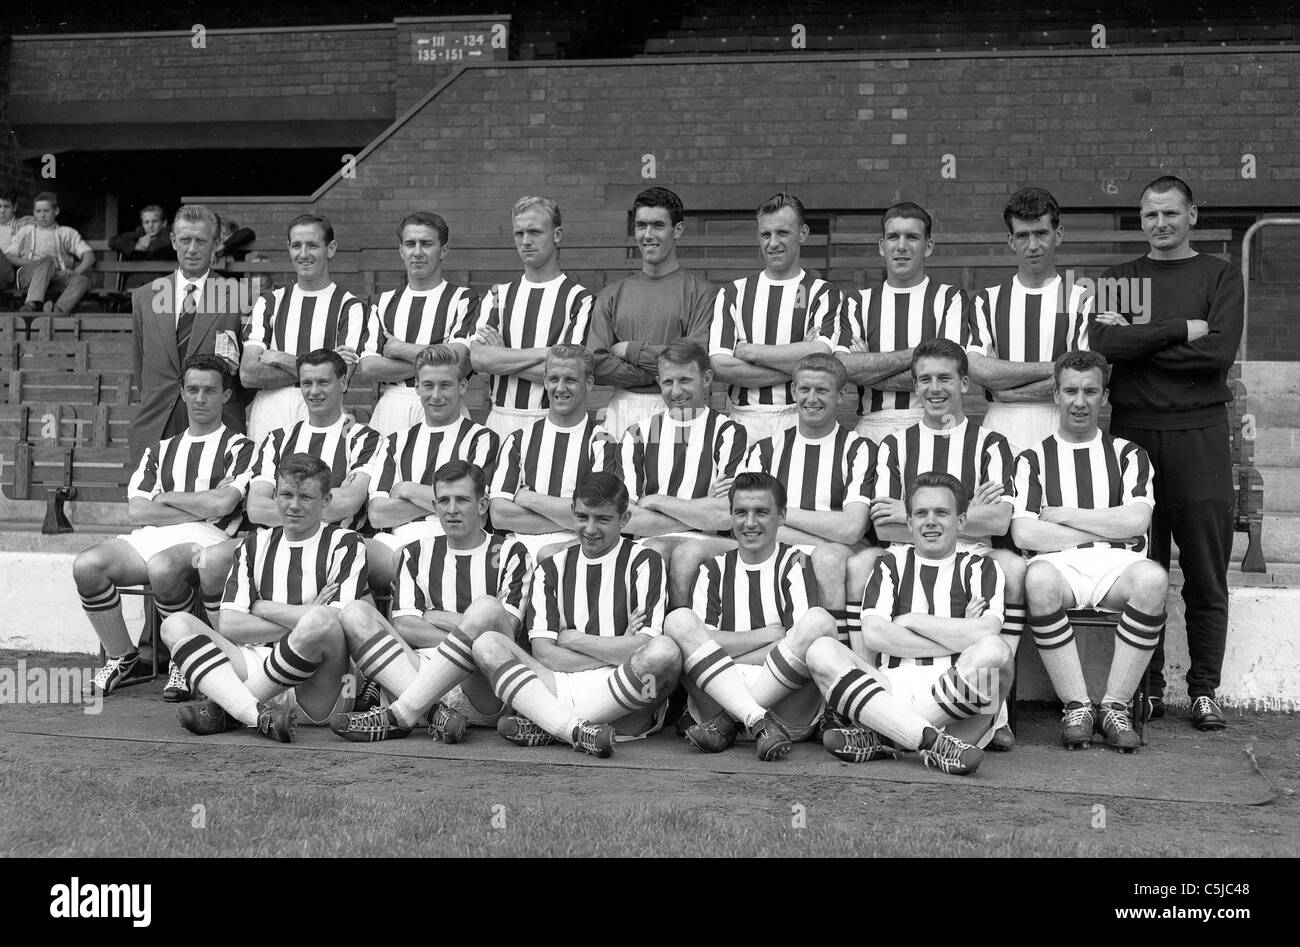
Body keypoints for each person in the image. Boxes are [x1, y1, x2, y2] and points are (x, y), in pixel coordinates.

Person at [1087, 175, 1241, 732]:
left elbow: (1217, 352)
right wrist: (1178, 329)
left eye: (1171, 213)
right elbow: (1104, 347)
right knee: (1141, 572)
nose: (1160, 223)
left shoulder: (1220, 275)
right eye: (1150, 215)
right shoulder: (1120, 279)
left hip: (1200, 436)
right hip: (1134, 438)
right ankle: (1142, 690)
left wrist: (1144, 344)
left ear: (1192, 215)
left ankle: (1203, 691)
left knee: (1205, 573)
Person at [862, 338, 1025, 750]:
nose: (935, 389)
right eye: (925, 380)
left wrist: (910, 513)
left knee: (1013, 569)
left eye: (945, 378)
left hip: (976, 556)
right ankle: (873, 694)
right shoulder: (895, 444)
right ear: (915, 387)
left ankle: (997, 710)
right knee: (864, 565)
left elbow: (1001, 519)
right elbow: (884, 527)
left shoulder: (991, 443)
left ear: (965, 383)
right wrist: (965, 516)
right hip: (909, 552)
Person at [803, 471, 1013, 775]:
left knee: (996, 651)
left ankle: (886, 736)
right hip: (892, 692)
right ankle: (930, 742)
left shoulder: (983, 567)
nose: (931, 521)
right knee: (820, 650)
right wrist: (957, 631)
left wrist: (910, 620)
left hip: (962, 703)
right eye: (921, 513)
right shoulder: (889, 564)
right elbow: (874, 635)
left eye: (942, 513)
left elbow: (985, 634)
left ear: (961, 521)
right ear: (910, 521)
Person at [1012, 351, 1169, 752]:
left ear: (1104, 396)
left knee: (1153, 579)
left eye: (1090, 391)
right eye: (1070, 391)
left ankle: (1114, 706)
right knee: (1039, 578)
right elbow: (1025, 531)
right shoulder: (1032, 458)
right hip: (1059, 566)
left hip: (1118, 567)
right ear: (1056, 394)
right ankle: (1077, 706)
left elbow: (1135, 523)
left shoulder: (1130, 454)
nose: (1079, 401)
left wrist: (1066, 516)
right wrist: (1098, 530)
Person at [77, 356, 256, 700]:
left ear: (226, 395)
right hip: (156, 535)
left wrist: (168, 497)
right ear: (182, 393)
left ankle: (183, 658)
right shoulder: (159, 450)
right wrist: (197, 507)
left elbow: (223, 506)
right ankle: (121, 654)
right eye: (193, 390)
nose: (201, 398)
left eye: (209, 390)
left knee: (163, 568)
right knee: (86, 566)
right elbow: (137, 509)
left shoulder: (241, 447)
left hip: (212, 538)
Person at [470, 472, 682, 758]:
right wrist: (618, 646)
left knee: (666, 652)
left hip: (625, 696)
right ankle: (574, 730)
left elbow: (643, 649)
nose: (590, 528)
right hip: (560, 686)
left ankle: (552, 727)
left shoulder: (645, 561)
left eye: (603, 519)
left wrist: (573, 639)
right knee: (486, 644)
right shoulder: (551, 568)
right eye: (583, 517)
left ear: (625, 519)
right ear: (572, 513)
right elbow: (546, 656)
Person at [159, 453, 368, 742]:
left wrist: (262, 607)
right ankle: (256, 715)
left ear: (327, 500)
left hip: (317, 688)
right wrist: (303, 613)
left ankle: (228, 710)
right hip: (255, 662)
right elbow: (230, 625)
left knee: (321, 621)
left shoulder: (346, 543)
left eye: (306, 497)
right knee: (176, 624)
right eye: (286, 494)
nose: (294, 505)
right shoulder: (254, 544)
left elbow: (335, 622)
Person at [329, 460, 533, 742]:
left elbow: (501, 631)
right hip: (419, 673)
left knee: (486, 609)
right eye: (444, 501)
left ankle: (401, 715)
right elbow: (405, 627)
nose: (452, 510)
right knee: (354, 613)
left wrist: (433, 616)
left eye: (462, 500)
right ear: (435, 505)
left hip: (480, 683)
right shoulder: (415, 552)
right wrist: (466, 628)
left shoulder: (512, 551)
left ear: (483, 504)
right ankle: (435, 714)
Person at [195, 349, 382, 627]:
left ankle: (274, 624)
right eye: (307, 383)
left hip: (340, 540)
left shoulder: (363, 438)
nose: (314, 391)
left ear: (343, 383)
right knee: (209, 561)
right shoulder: (278, 439)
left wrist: (285, 503)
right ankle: (227, 639)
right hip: (275, 539)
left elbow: (348, 504)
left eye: (323, 382)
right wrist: (321, 499)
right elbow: (257, 509)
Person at [664, 471, 837, 761]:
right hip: (719, 697)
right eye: (741, 512)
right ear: (730, 516)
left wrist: (722, 654)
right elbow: (700, 643)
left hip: (783, 709)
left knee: (819, 622)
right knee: (677, 621)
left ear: (781, 516)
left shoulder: (795, 563)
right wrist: (770, 635)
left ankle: (733, 721)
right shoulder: (713, 569)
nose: (750, 523)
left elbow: (802, 648)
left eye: (761, 512)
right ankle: (754, 718)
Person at [709, 192, 846, 444]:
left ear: (803, 233)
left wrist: (749, 351)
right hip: (743, 420)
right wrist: (801, 365)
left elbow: (821, 354)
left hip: (801, 418)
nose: (773, 243)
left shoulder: (822, 292)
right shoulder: (733, 293)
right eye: (766, 234)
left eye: (782, 233)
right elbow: (720, 366)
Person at [968, 187, 1093, 452]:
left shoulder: (1082, 298)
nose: (1033, 245)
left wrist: (1009, 390)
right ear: (1011, 240)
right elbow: (978, 368)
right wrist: (1058, 367)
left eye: (1041, 233)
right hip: (1002, 422)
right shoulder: (987, 300)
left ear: (1058, 235)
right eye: (1023, 235)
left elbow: (1083, 376)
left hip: (1061, 419)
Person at [618, 339, 747, 592]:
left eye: (685, 380)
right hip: (648, 543)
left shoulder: (729, 433)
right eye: (668, 382)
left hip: (709, 545)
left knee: (671, 552)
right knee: (654, 550)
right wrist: (700, 513)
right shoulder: (638, 434)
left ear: (707, 379)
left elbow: (726, 516)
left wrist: (654, 501)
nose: (676, 391)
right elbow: (626, 519)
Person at [365, 345, 498, 589]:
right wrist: (446, 502)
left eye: (445, 385)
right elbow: (377, 514)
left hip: (455, 545)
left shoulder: (482, 438)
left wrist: (406, 489)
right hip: (398, 547)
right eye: (428, 385)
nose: (436, 395)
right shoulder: (395, 442)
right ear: (416, 387)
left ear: (463, 387)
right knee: (354, 550)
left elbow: (476, 511)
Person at [589, 187, 717, 436]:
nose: (647, 234)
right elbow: (596, 363)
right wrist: (661, 374)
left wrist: (631, 351)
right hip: (623, 409)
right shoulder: (611, 294)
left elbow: (694, 359)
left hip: (682, 407)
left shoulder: (703, 293)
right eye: (641, 225)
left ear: (677, 229)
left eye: (658, 225)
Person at [840, 201, 971, 443]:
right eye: (893, 237)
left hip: (932, 422)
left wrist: (869, 365)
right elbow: (844, 369)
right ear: (882, 246)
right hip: (872, 427)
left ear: (928, 246)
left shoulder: (950, 298)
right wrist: (921, 353)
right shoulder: (857, 301)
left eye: (912, 237)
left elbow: (947, 371)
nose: (901, 246)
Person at [468, 196, 594, 441]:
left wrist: (503, 356)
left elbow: (568, 372)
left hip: (555, 420)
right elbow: (480, 359)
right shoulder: (497, 295)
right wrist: (546, 353)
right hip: (500, 420)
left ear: (557, 235)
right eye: (519, 233)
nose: (525, 241)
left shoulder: (580, 299)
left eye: (535, 232)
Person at [130, 203, 247, 465]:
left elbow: (244, 378)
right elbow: (141, 365)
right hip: (157, 426)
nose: (192, 249)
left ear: (215, 244)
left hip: (219, 427)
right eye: (185, 240)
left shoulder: (238, 295)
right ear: (173, 240)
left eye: (201, 240)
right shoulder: (145, 296)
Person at [239, 213, 369, 442]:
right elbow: (248, 374)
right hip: (270, 414)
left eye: (312, 245)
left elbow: (341, 379)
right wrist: (322, 364)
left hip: (323, 415)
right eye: (297, 245)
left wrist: (278, 357)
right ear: (288, 248)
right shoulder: (269, 302)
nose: (303, 254)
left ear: (330, 249)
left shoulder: (351, 307)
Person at [354, 212, 479, 435]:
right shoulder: (383, 301)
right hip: (394, 404)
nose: (418, 252)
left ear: (444, 250)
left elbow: (458, 357)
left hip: (444, 401)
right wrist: (439, 364)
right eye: (410, 244)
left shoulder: (463, 298)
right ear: (401, 250)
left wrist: (400, 349)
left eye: (427, 244)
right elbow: (369, 367)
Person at [489, 344, 616, 561]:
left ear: (589, 383)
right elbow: (499, 515)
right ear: (545, 381)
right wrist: (572, 518)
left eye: (571, 380)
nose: (560, 387)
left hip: (576, 547)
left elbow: (598, 516)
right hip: (520, 549)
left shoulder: (602, 442)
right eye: (554, 379)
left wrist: (530, 499)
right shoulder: (518, 439)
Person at [4, 190, 93, 315]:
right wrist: (33, 262)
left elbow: (89, 256)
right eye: (38, 211)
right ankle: (30, 305)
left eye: (46, 211)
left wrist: (76, 271)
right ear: (34, 213)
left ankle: (57, 310)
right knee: (47, 261)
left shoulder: (66, 232)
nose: (42, 215)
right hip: (28, 275)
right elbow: (9, 256)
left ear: (56, 211)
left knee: (83, 280)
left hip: (55, 277)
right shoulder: (26, 231)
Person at [109, 204, 173, 290]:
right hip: (136, 281)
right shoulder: (139, 235)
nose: (150, 225)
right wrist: (136, 246)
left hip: (161, 282)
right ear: (142, 224)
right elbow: (113, 242)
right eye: (146, 222)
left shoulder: (170, 235)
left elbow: (166, 242)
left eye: (154, 221)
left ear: (164, 223)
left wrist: (148, 245)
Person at [0, 187, 33, 292]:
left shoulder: (22, 225)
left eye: (7, 206)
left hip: (9, 272)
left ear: (15, 207)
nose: (2, 211)